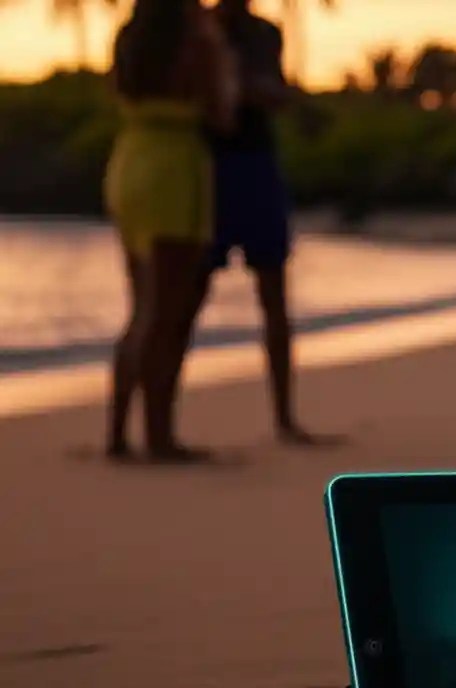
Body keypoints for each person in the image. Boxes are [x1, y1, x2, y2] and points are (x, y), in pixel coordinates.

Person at [191, 0, 330, 444]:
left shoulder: (265, 33)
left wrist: (251, 89)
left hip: (254, 164)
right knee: (185, 297)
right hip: (208, 169)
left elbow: (271, 91)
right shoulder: (200, 29)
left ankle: (284, 417)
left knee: (274, 296)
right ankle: (160, 423)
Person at [104, 0, 237, 462]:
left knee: (140, 307)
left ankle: (119, 434)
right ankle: (160, 437)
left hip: (131, 160)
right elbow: (221, 111)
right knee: (167, 313)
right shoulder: (196, 39)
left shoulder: (130, 36)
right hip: (174, 168)